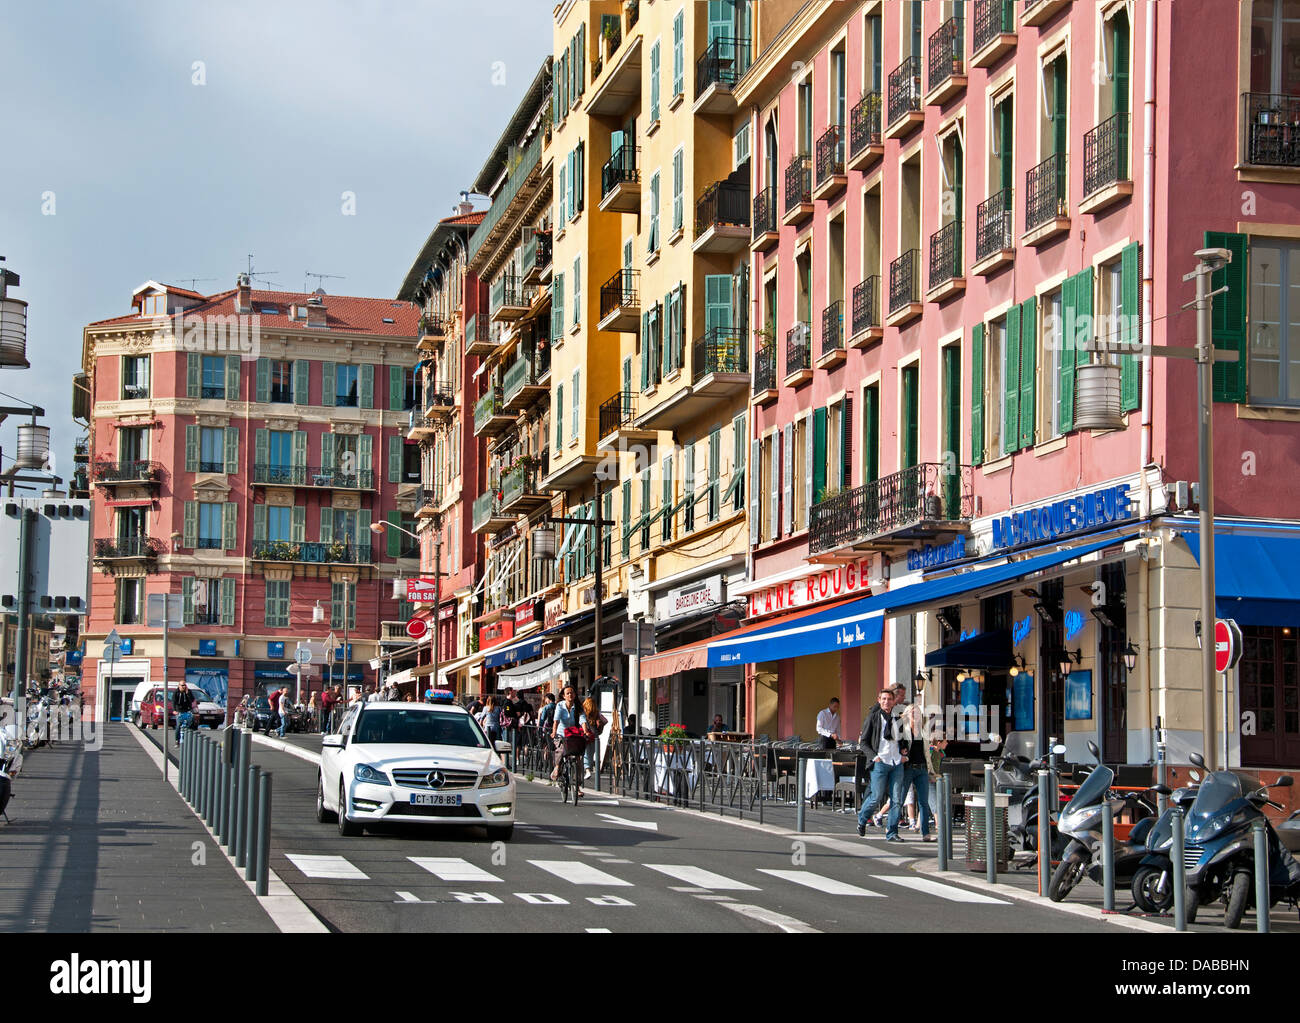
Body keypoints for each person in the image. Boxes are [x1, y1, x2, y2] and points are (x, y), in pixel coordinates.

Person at [855, 687, 908, 842]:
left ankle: (891, 832)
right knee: (876, 796)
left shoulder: (897, 719)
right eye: (883, 699)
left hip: (896, 762)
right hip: (880, 762)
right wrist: (874, 757)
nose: (886, 701)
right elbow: (863, 743)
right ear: (879, 700)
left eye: (889, 699)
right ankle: (862, 818)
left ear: (893, 702)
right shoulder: (873, 718)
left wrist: (904, 751)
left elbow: (903, 740)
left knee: (897, 799)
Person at [896, 685, 934, 841]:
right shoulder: (903, 730)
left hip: (922, 768)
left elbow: (927, 753)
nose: (915, 715)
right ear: (907, 714)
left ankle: (925, 833)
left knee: (924, 802)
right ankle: (892, 829)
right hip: (907, 768)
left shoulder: (924, 731)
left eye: (918, 712)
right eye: (912, 712)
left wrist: (931, 770)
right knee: (899, 799)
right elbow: (897, 746)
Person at [549, 685, 584, 795]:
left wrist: (586, 731)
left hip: (573, 733)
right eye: (567, 693)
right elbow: (556, 720)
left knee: (578, 759)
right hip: (561, 733)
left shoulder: (578, 706)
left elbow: (583, 719)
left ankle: (577, 787)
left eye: (571, 693)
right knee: (561, 749)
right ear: (564, 696)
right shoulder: (560, 706)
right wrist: (554, 732)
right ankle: (557, 766)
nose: (570, 695)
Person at [581, 696, 606, 778]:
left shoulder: (584, 713)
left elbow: (583, 722)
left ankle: (587, 770)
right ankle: (589, 769)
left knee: (586, 753)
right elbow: (605, 720)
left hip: (587, 735)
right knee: (591, 754)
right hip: (595, 735)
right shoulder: (597, 713)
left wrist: (585, 731)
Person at [537, 692, 558, 767]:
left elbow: (542, 719)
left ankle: (544, 762)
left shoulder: (546, 707)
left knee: (544, 745)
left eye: (546, 699)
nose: (545, 701)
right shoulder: (557, 706)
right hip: (555, 728)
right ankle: (553, 763)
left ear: (548, 699)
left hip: (547, 728)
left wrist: (540, 728)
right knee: (553, 746)